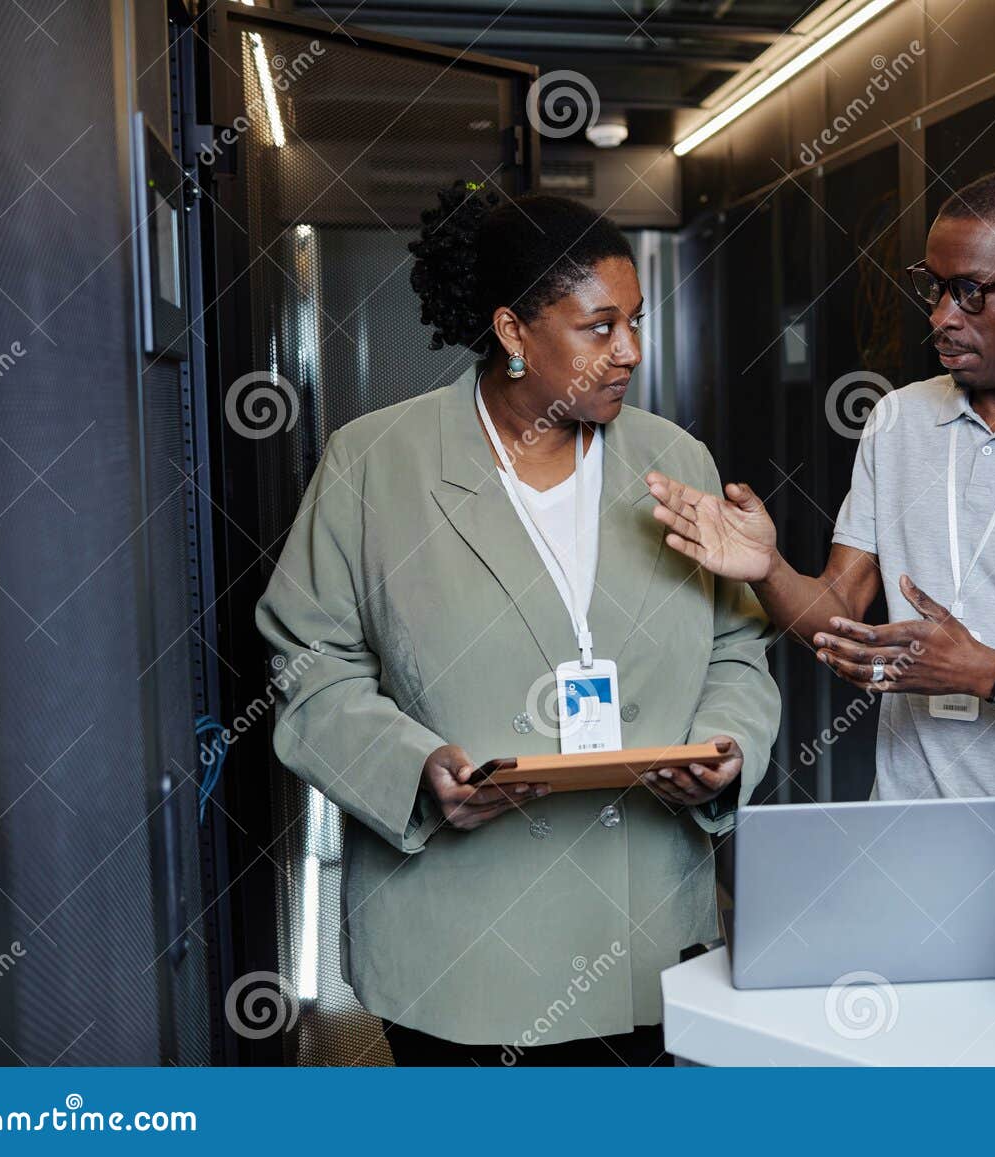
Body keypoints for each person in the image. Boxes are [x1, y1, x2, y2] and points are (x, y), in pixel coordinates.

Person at [255, 184, 779, 1065]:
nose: (630, 351)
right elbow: (310, 665)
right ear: (512, 332)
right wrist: (415, 770)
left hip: (647, 932)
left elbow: (737, 648)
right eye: (599, 327)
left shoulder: (674, 459)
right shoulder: (374, 464)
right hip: (462, 950)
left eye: (635, 323)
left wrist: (727, 748)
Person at [646, 166, 995, 800]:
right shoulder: (898, 419)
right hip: (905, 822)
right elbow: (840, 611)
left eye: (970, 292)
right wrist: (767, 570)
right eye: (934, 287)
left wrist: (988, 674)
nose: (942, 317)